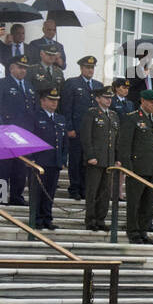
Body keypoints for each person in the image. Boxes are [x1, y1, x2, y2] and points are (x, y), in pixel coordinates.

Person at [116, 89, 153, 244]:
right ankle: (133, 232)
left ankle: (143, 230)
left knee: (149, 203)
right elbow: (124, 146)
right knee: (134, 203)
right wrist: (129, 168)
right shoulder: (132, 119)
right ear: (143, 101)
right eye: (152, 102)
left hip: (152, 169)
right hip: (137, 169)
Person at [0, 48, 31, 204]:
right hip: (6, 131)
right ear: (11, 68)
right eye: (20, 67)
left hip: (23, 133)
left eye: (25, 68)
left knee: (20, 167)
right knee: (4, 166)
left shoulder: (28, 85)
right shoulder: (2, 83)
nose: (23, 70)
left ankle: (16, 196)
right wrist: (1, 129)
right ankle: (0, 197)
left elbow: (32, 109)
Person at [59, 55, 102, 200]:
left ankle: (84, 188)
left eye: (92, 68)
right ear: (81, 68)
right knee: (76, 160)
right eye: (87, 67)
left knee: (88, 161)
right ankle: (75, 188)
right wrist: (69, 127)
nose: (90, 70)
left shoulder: (98, 85)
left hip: (93, 132)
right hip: (77, 129)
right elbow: (67, 107)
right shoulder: (72, 83)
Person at [79, 86, 119, 232]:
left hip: (108, 160)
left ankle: (101, 219)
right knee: (92, 190)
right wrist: (90, 156)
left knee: (105, 192)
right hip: (95, 159)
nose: (109, 100)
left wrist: (116, 158)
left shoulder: (113, 115)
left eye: (110, 98)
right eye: (105, 97)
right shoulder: (92, 114)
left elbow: (116, 139)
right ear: (97, 98)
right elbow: (86, 136)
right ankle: (91, 219)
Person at [31, 87, 68, 229]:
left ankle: (47, 217)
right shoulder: (35, 117)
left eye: (56, 101)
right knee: (38, 192)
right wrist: (31, 158)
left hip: (55, 161)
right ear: (42, 100)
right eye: (51, 100)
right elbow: (31, 138)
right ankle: (36, 218)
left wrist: (63, 159)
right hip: (40, 161)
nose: (54, 103)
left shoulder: (60, 118)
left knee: (50, 192)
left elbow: (65, 142)